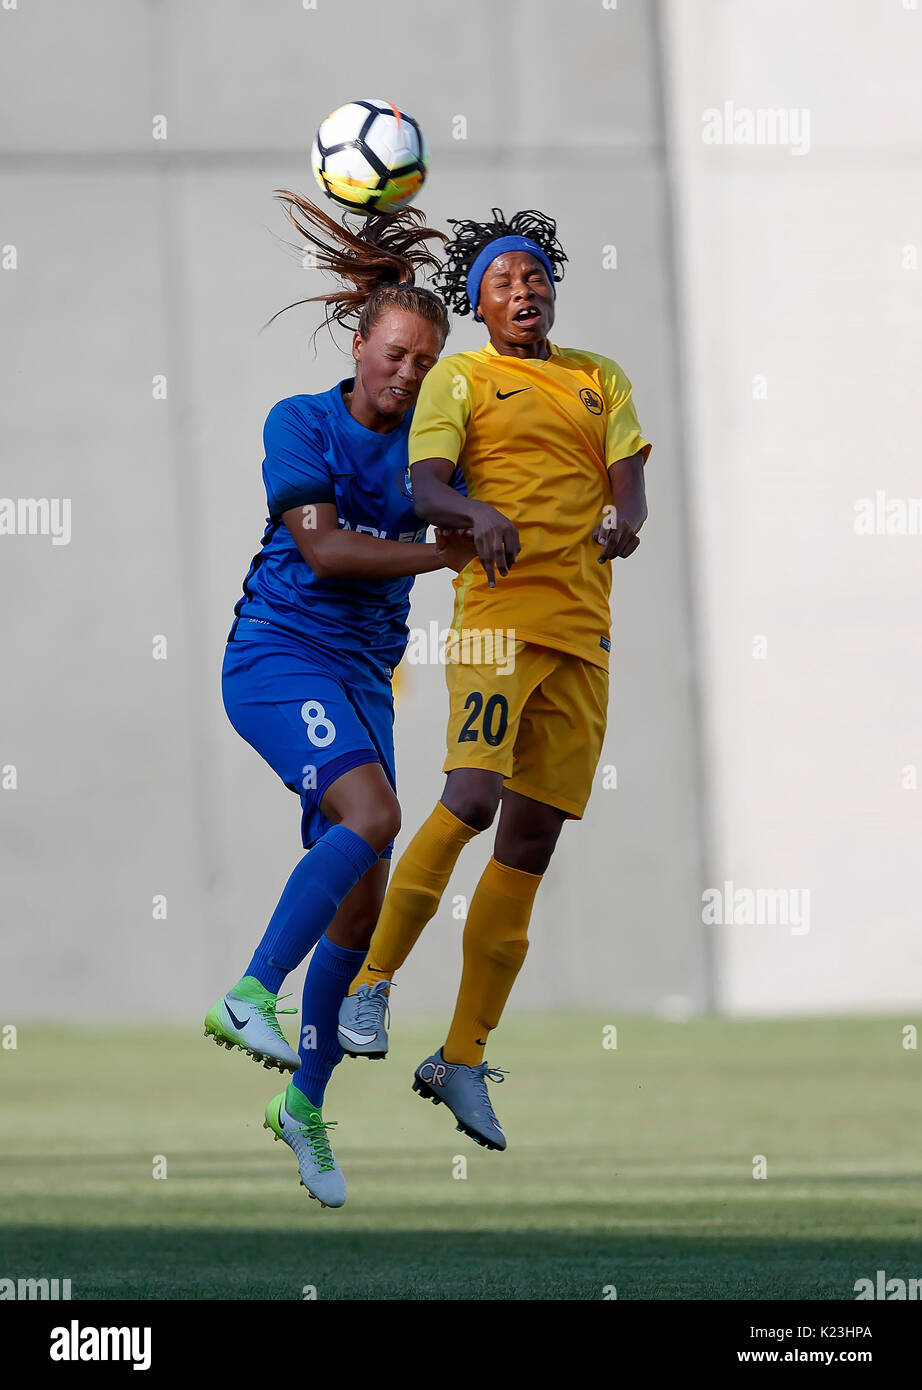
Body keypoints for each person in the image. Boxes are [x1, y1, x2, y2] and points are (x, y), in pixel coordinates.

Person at [337, 208, 651, 1152]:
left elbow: (629, 480)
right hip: (495, 623)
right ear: (478, 303)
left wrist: (626, 520)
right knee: (471, 798)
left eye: (536, 276)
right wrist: (474, 512)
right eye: (505, 281)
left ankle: (462, 1058)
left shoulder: (600, 377)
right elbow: (425, 486)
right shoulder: (463, 378)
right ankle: (368, 984)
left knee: (531, 843)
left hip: (581, 635)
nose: (525, 291)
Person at [206, 194, 473, 1207]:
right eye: (395, 353)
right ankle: (249, 991)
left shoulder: (432, 450)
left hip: (363, 679)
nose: (407, 373)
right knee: (374, 815)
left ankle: (303, 1107)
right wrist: (442, 555)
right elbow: (322, 550)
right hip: (278, 657)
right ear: (358, 345)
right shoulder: (301, 421)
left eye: (424, 362)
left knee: (363, 893)